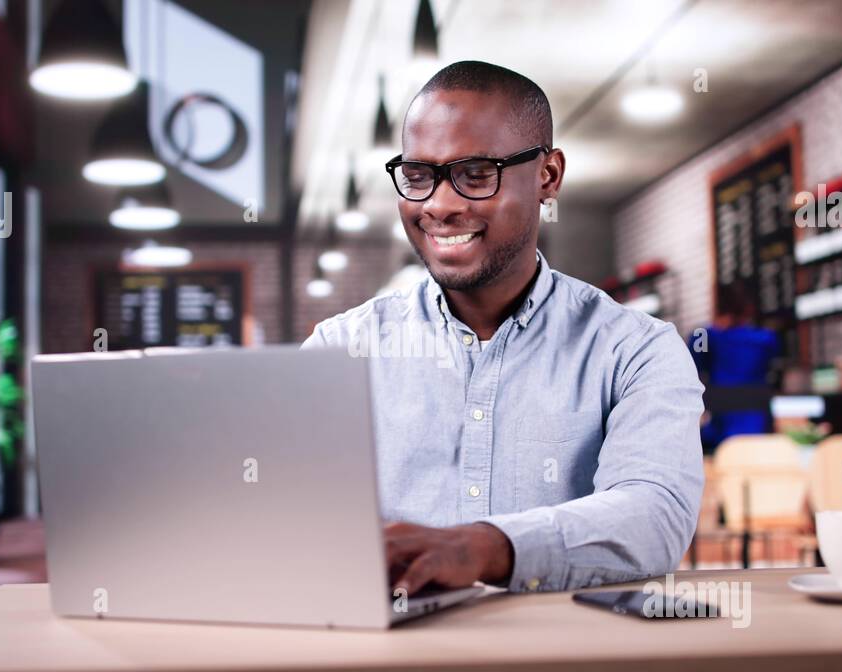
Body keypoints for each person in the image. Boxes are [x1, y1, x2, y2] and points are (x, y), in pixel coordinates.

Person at [302, 61, 704, 594]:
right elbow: (287, 519)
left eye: (475, 174)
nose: (440, 206)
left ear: (548, 176)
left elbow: (655, 518)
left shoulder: (636, 351)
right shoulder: (338, 350)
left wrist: (483, 548)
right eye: (419, 177)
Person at [689, 280, 782, 449]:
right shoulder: (767, 338)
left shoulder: (703, 336)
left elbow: (691, 370)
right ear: (748, 307)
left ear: (716, 306)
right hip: (759, 426)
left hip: (721, 430)